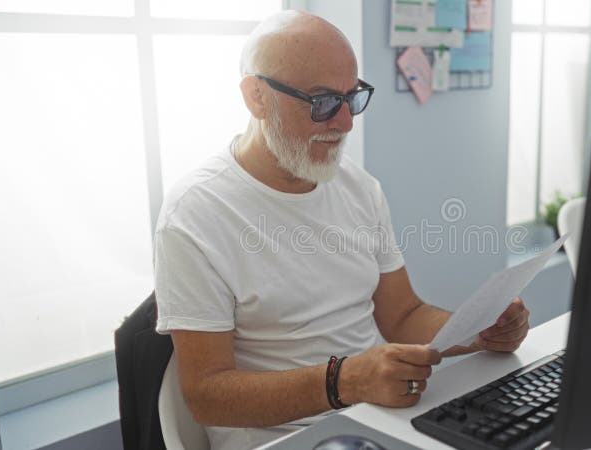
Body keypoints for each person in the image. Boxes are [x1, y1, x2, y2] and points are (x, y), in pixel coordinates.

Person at [153, 10, 531, 450]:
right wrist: (343, 382)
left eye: (351, 98)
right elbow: (208, 397)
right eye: (322, 102)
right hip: (285, 439)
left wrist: (476, 331)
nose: (346, 122)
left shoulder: (358, 187)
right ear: (256, 97)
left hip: (381, 418)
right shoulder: (195, 214)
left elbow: (403, 315)